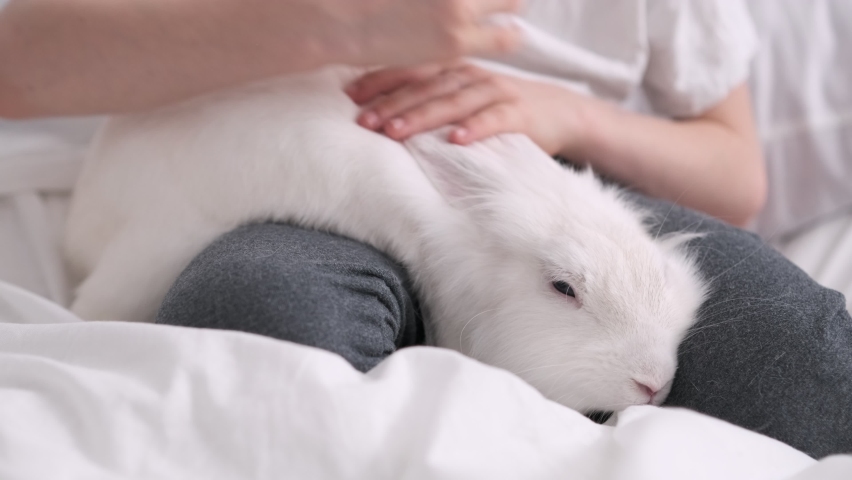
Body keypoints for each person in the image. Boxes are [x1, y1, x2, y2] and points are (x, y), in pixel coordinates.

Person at [1, 0, 850, 458]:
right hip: (312, 187)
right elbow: (22, 65)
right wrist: (343, 25)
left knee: (804, 362)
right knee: (265, 326)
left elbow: (737, 176)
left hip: (566, 194)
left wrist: (571, 116)